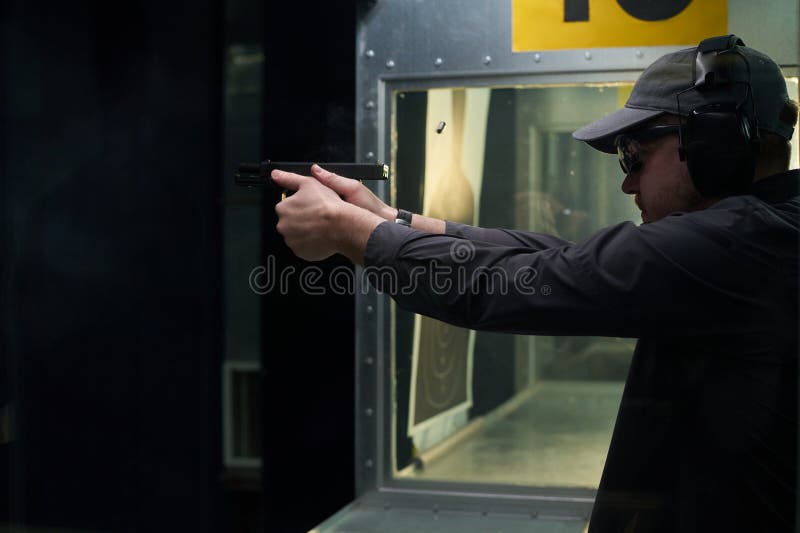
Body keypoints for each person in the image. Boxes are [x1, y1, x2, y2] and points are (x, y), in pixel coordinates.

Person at [271, 35, 799, 532]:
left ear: (712, 144)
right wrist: (395, 220)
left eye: (635, 156)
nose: (628, 181)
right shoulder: (763, 235)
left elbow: (519, 282)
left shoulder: (742, 243)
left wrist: (348, 231)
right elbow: (561, 258)